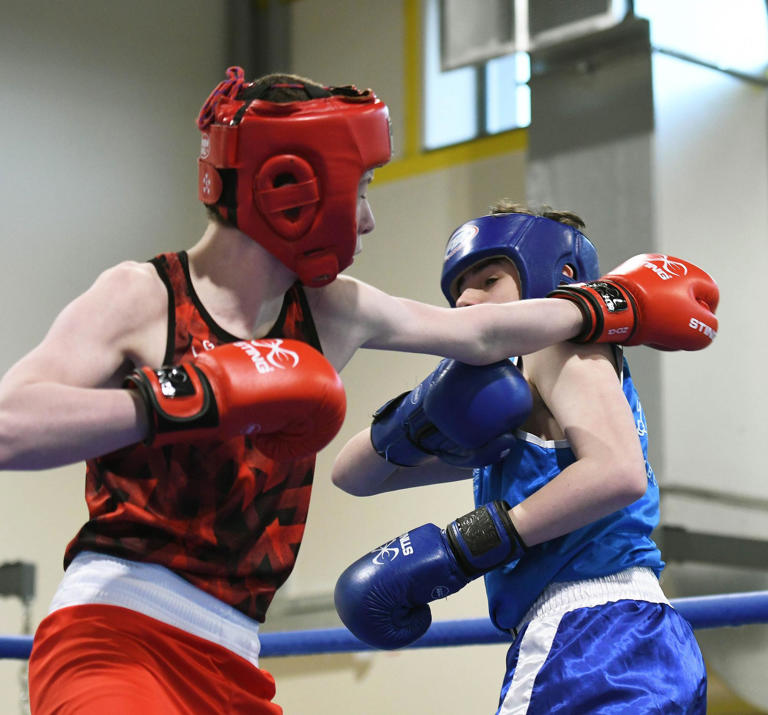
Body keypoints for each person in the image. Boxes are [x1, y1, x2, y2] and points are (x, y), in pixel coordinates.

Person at [0, 60, 712, 714]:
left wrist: (611, 304)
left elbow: (484, 337)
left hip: (234, 655)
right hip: (115, 629)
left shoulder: (333, 310)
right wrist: (178, 398)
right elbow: (10, 423)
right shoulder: (144, 294)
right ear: (295, 184)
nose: (369, 217)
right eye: (362, 188)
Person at [332, 203, 715, 714]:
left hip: (585, 638)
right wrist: (417, 414)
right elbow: (354, 475)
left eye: (488, 278)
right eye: (459, 287)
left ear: (553, 276)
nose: (466, 297)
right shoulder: (509, 406)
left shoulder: (556, 348)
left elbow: (618, 474)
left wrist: (466, 548)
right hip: (631, 640)